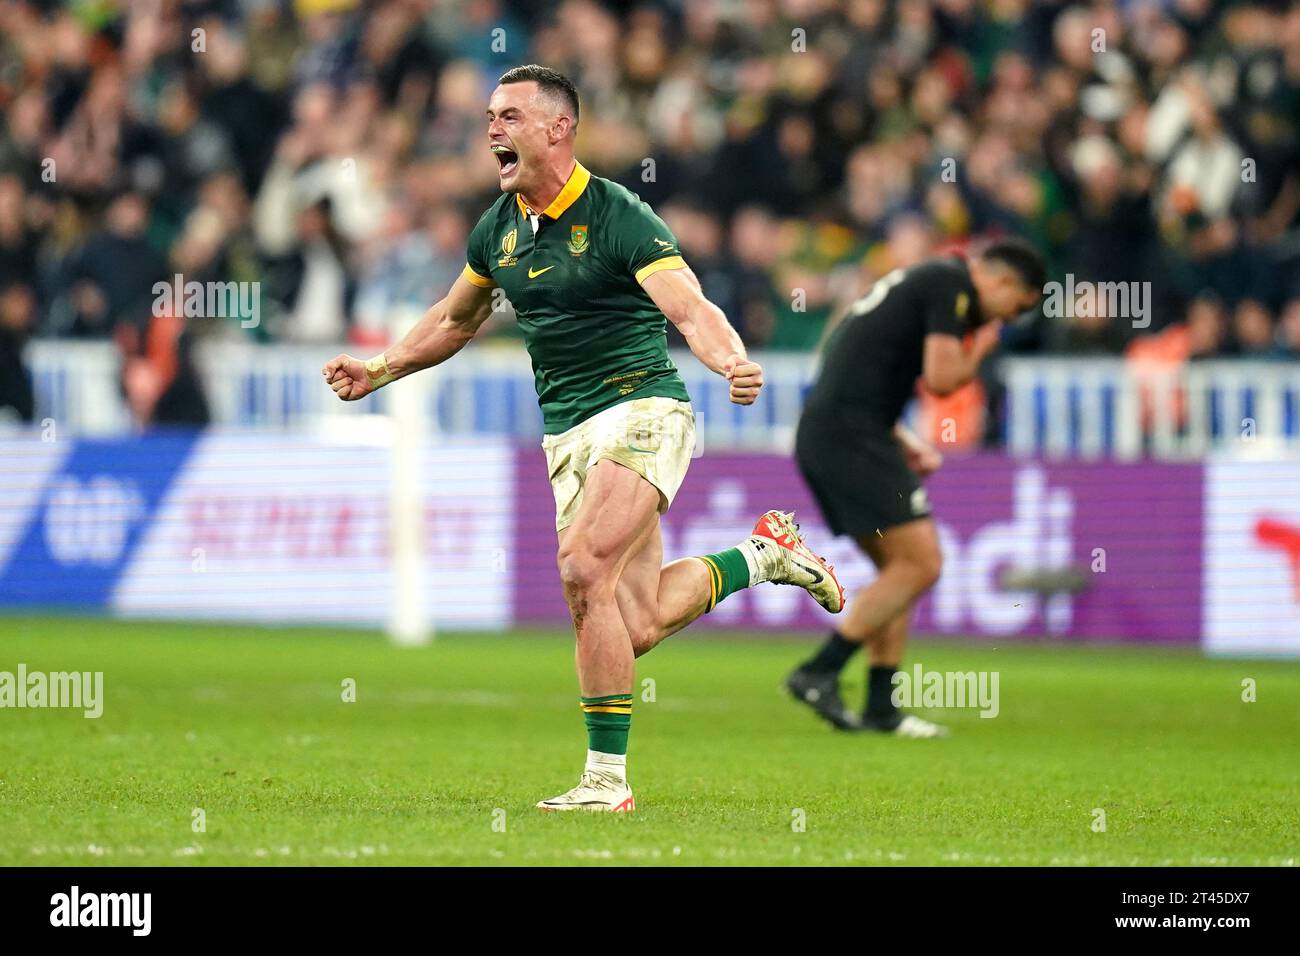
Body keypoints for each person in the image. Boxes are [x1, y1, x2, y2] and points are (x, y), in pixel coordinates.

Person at [322, 65, 843, 811]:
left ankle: (605, 782)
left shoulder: (618, 213)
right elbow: (454, 319)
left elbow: (690, 308)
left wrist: (729, 359)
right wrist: (379, 370)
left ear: (558, 129)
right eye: (489, 117)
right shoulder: (497, 228)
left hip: (642, 409)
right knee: (637, 622)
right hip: (567, 433)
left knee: (582, 565)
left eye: (509, 116)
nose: (492, 129)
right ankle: (764, 555)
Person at [786, 240, 1045, 736]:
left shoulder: (925, 280)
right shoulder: (951, 284)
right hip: (850, 438)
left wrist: (904, 438)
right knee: (922, 564)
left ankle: (880, 708)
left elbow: (854, 369)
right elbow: (943, 379)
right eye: (1014, 309)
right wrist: (982, 346)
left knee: (899, 570)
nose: (1005, 321)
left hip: (841, 431)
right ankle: (820, 670)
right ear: (1001, 281)